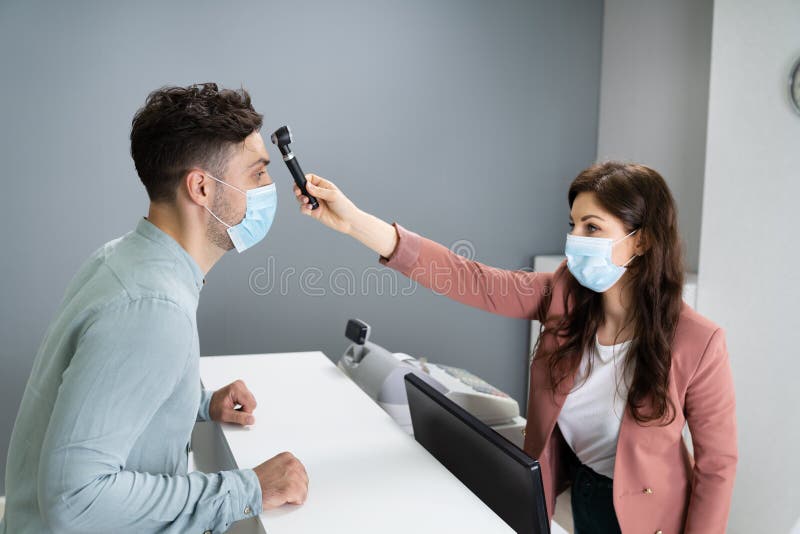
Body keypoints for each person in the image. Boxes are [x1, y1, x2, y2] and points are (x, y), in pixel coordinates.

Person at [292, 162, 737, 534]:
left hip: (653, 513)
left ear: (639, 240)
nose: (575, 239)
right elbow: (469, 278)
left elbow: (717, 465)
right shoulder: (561, 297)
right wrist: (354, 222)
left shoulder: (698, 342)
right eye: (574, 225)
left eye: (592, 227)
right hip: (584, 491)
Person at [1, 83, 309, 533]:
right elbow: (75, 502)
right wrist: (250, 489)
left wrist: (193, 403)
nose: (269, 189)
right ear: (202, 188)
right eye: (258, 174)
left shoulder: (123, 259)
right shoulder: (153, 308)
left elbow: (96, 397)